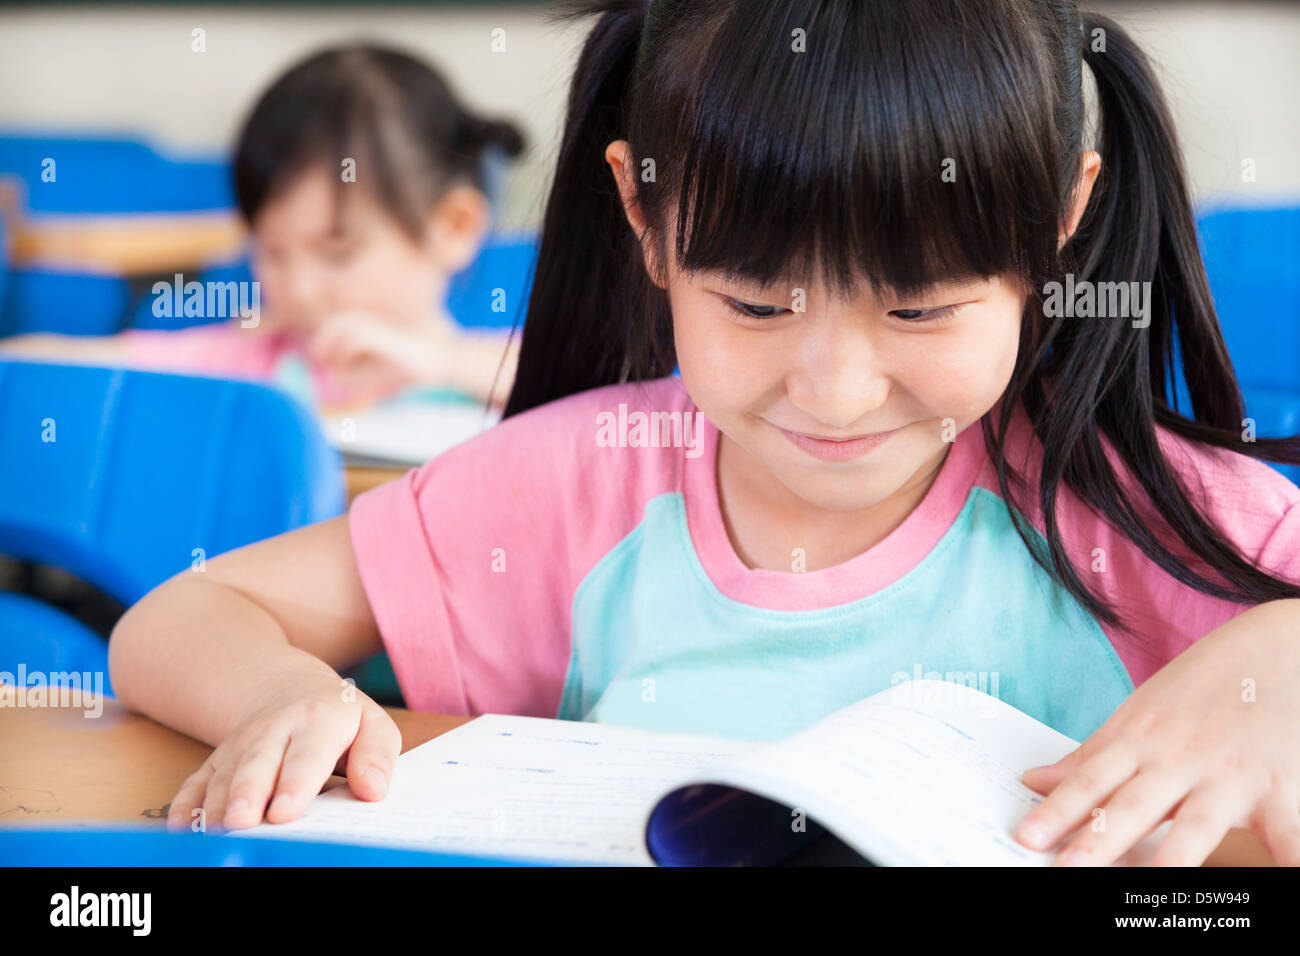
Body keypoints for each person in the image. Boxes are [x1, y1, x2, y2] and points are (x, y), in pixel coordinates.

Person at [109, 1, 1300, 866]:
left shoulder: (1146, 518)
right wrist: (273, 691)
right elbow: (185, 616)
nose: (832, 390)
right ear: (645, 213)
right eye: (756, 303)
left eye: (921, 308)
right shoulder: (579, 488)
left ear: (1062, 221)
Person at [0, 44, 525, 409]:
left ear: (454, 228)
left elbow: (598, 390)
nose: (296, 288)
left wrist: (442, 363)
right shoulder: (255, 360)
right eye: (272, 252)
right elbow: (79, 363)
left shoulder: (499, 371)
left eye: (337, 252)